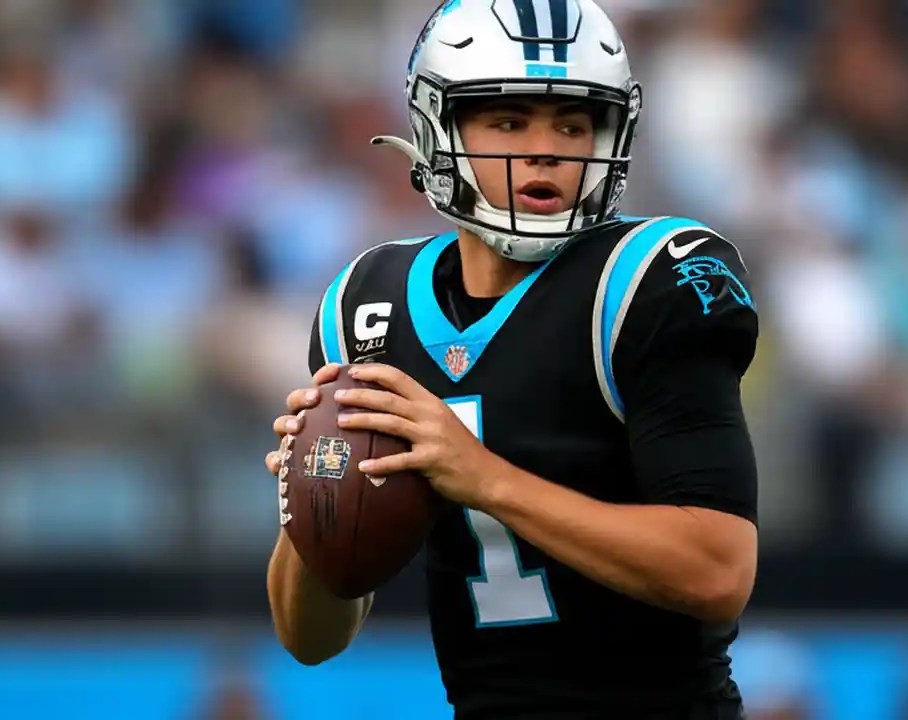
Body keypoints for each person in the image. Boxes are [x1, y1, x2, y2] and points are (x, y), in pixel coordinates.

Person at [265, 1, 760, 717]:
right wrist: (313, 500)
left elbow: (719, 568)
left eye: (572, 123)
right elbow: (308, 638)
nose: (546, 149)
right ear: (439, 128)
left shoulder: (647, 281)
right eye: (508, 120)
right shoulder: (366, 308)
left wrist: (482, 477)